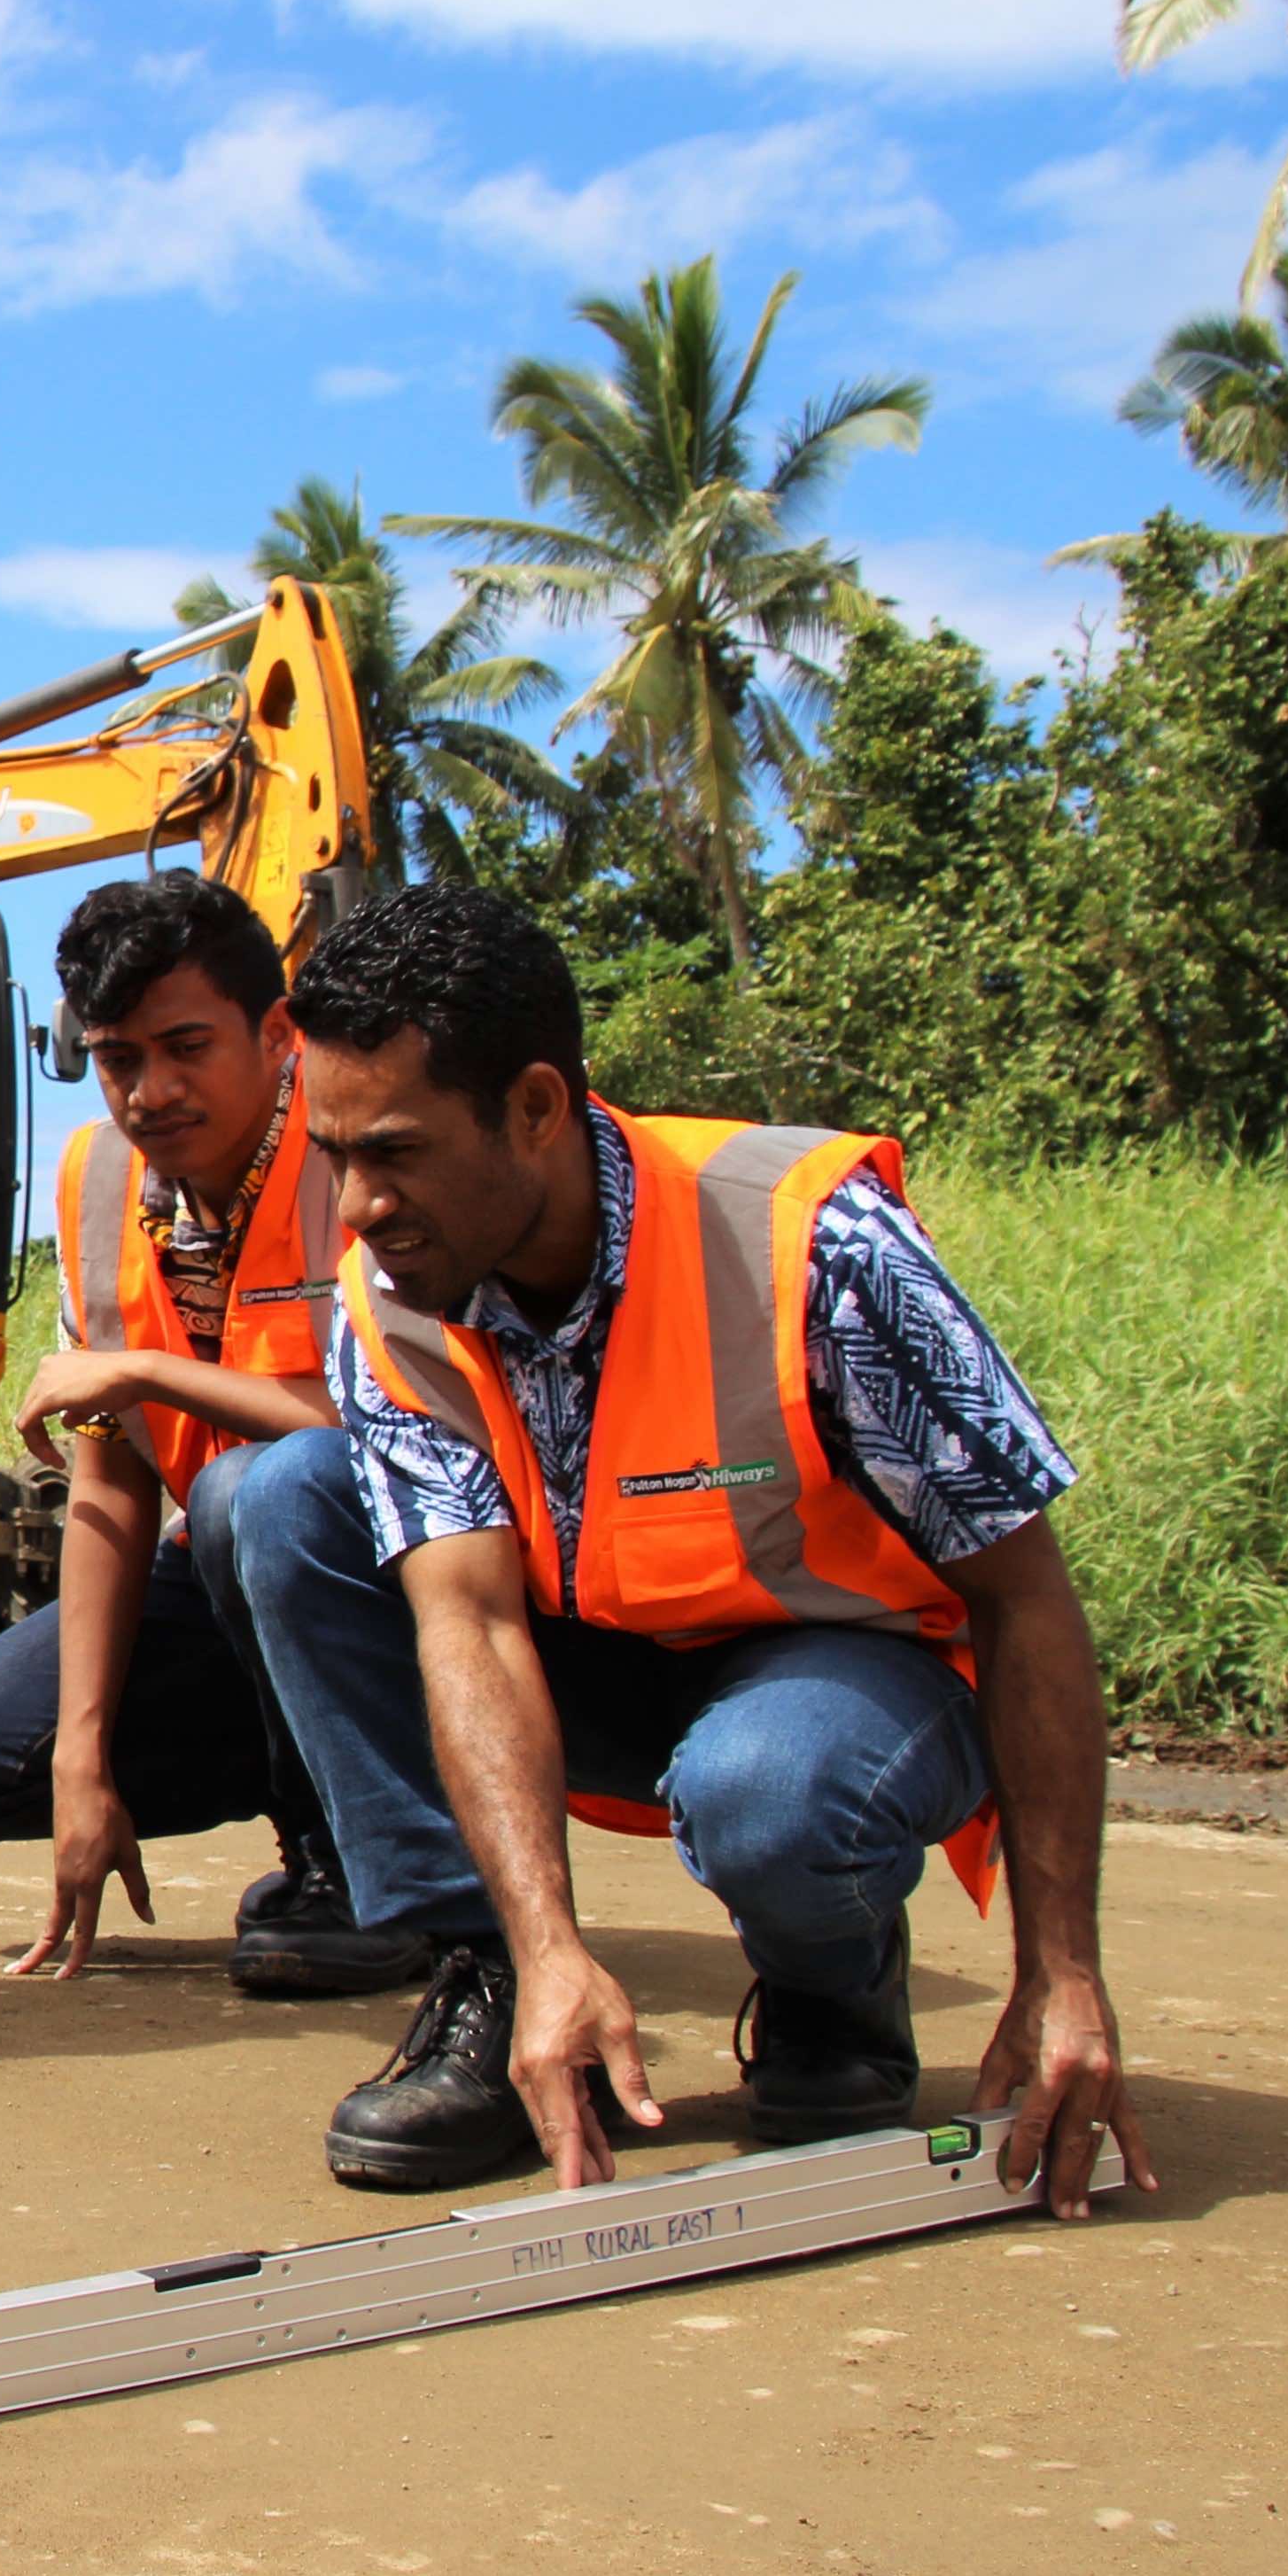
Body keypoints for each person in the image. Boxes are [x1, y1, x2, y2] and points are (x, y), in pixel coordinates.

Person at [222, 885, 1152, 2218]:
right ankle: (496, 1987)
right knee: (289, 1499)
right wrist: (545, 1940)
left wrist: (1062, 1973)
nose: (358, 1206)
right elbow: (467, 1622)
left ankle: (836, 1989)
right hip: (595, 1657)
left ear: (536, 1109)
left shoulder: (813, 1244)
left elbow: (1025, 1598)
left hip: (843, 1684)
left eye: (398, 1152)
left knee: (768, 1792)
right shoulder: (394, 1290)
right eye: (335, 1155)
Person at [0, 876, 433, 1998]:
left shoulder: (363, 1157)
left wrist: (149, 1370)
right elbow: (114, 1471)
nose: (151, 1090)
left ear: (277, 1032)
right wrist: (82, 1762)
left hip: (416, 1573)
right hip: (236, 1570)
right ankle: (318, 1789)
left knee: (255, 1494)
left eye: (186, 1046)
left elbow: (421, 1441)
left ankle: (372, 1863)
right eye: (119, 1057)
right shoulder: (102, 1184)